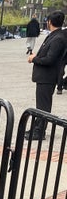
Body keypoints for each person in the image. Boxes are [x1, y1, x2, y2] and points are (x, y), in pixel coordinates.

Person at [27, 10, 67, 140]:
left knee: (43, 106)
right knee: (41, 104)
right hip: (44, 76)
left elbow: (50, 59)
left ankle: (40, 131)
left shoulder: (59, 38)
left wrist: (34, 59)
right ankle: (36, 127)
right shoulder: (55, 35)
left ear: (49, 22)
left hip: (48, 76)